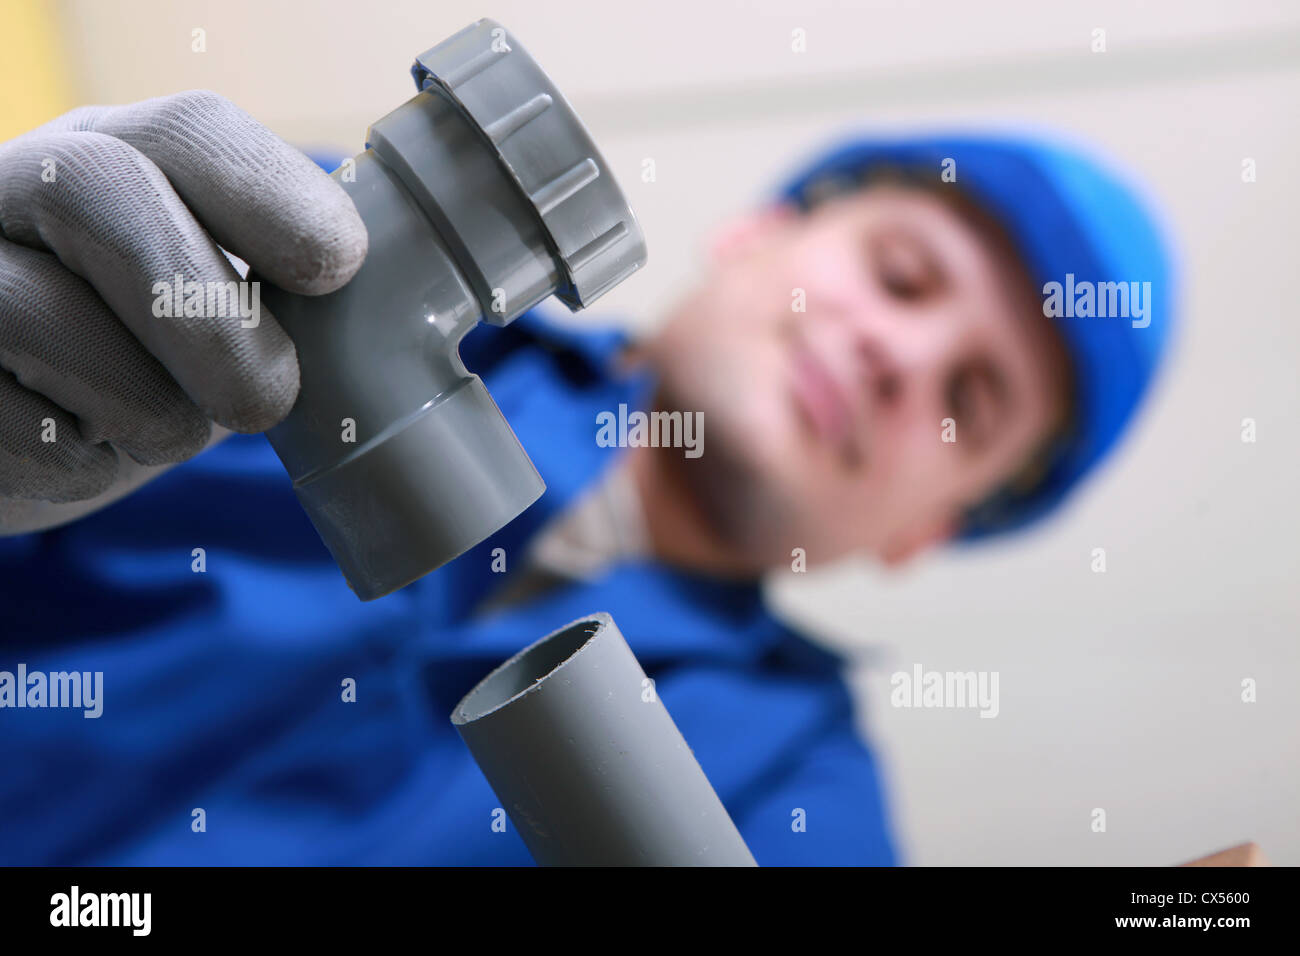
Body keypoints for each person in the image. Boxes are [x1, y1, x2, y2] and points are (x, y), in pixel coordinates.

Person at [0, 92, 1173, 865]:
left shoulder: (796, 809)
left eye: (966, 403)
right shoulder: (296, 262)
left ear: (927, 530)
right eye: (901, 276)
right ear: (755, 235)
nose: (896, 357)